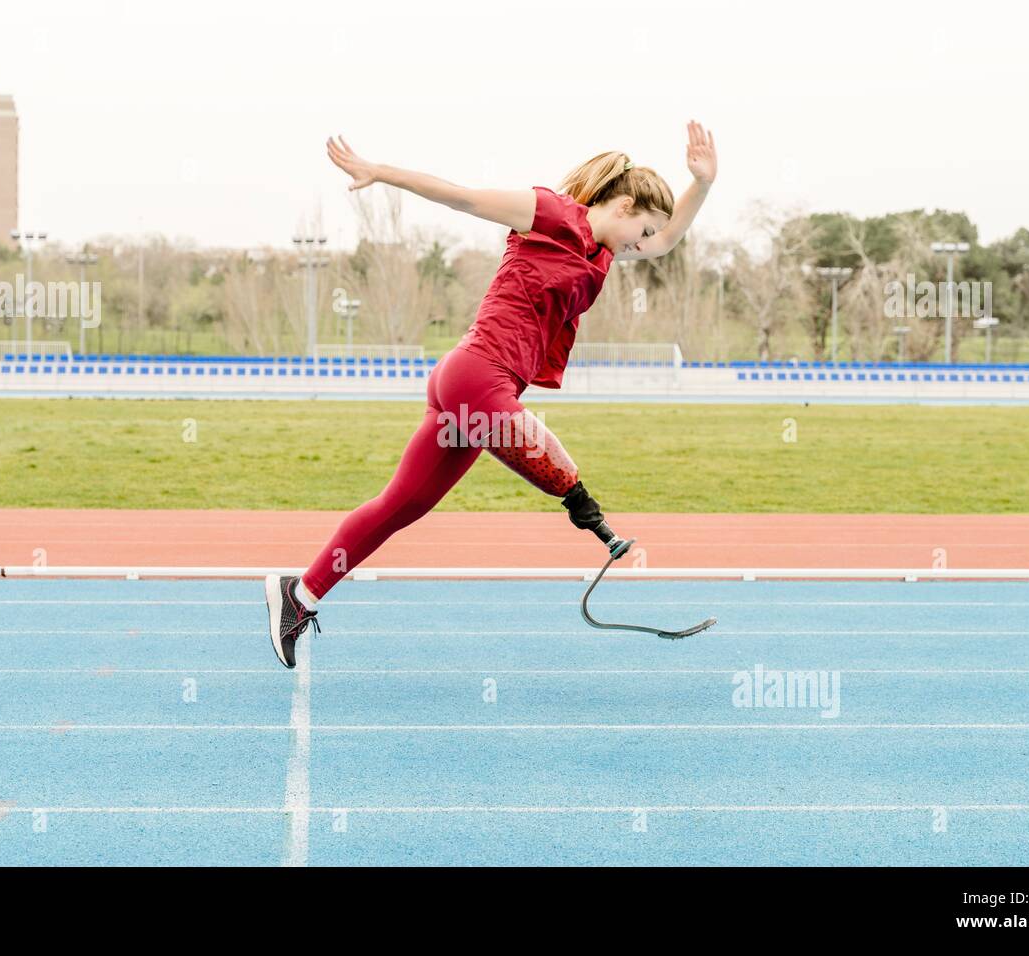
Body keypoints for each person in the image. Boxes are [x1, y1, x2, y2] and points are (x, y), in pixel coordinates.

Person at [267, 122, 718, 667]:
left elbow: (667, 242)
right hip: (478, 378)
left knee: (401, 506)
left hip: (476, 387)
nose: (642, 244)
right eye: (640, 230)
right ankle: (598, 525)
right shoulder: (549, 213)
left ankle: (301, 594)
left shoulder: (601, 253)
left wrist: (703, 183)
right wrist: (378, 171)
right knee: (556, 471)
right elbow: (461, 197)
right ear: (622, 206)